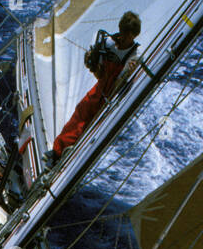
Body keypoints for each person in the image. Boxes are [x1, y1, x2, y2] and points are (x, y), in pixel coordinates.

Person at [46, 12, 141, 165]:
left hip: (113, 96)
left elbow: (121, 82)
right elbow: (98, 73)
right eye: (124, 34)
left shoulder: (134, 55)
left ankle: (69, 157)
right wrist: (91, 62)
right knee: (79, 116)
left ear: (134, 36)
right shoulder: (108, 43)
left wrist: (129, 71)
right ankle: (57, 151)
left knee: (90, 127)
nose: (125, 39)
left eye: (129, 36)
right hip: (100, 89)